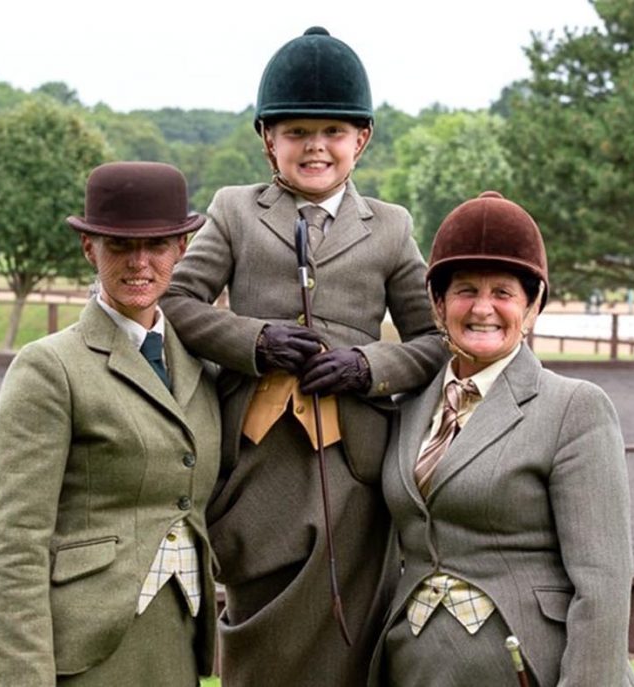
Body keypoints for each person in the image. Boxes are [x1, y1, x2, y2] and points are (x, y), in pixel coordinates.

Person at [162, 27, 444, 687]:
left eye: (332, 132)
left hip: (353, 469)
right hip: (259, 464)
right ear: (268, 139)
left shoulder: (392, 225)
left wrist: (368, 366)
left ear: (361, 139)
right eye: (296, 132)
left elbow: (432, 338)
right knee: (262, 623)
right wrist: (254, 340)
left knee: (347, 633)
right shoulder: (233, 211)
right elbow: (179, 300)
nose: (315, 146)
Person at [0, 162, 222, 687]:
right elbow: (15, 544)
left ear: (182, 250)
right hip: (78, 649)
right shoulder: (49, 367)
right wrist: (25, 678)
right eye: (120, 246)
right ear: (89, 250)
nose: (140, 263)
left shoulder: (201, 365)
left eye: (158, 246)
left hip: (176, 643)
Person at [369, 191, 634, 686]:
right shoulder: (407, 405)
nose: (483, 308)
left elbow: (602, 583)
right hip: (414, 665)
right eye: (466, 290)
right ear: (437, 304)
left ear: (532, 307)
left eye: (504, 293)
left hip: (525, 667)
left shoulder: (574, 407)